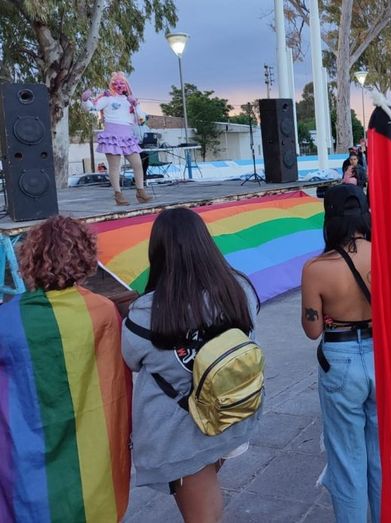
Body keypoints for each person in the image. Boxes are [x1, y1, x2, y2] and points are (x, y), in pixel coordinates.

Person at [122, 208, 261, 523]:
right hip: (233, 409)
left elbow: (130, 359)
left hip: (182, 432)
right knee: (207, 486)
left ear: (157, 252)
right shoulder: (239, 288)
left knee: (203, 513)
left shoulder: (145, 312)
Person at [0, 216, 132, 521]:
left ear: (29, 258)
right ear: (85, 258)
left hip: (26, 460)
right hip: (92, 457)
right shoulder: (103, 312)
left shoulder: (8, 321)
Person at [300, 184, 380, 522]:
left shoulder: (317, 268)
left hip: (341, 357)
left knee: (347, 460)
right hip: (382, 358)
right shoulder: (386, 254)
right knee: (380, 457)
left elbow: (312, 330)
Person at [81, 71, 152, 206]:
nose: (119, 86)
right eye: (116, 83)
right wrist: (85, 100)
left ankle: (141, 191)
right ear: (112, 85)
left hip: (128, 137)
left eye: (122, 83)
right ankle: (118, 195)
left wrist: (135, 105)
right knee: (115, 166)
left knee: (137, 164)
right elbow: (93, 108)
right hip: (112, 136)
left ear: (126, 85)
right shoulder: (107, 98)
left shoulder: (131, 100)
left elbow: (141, 119)